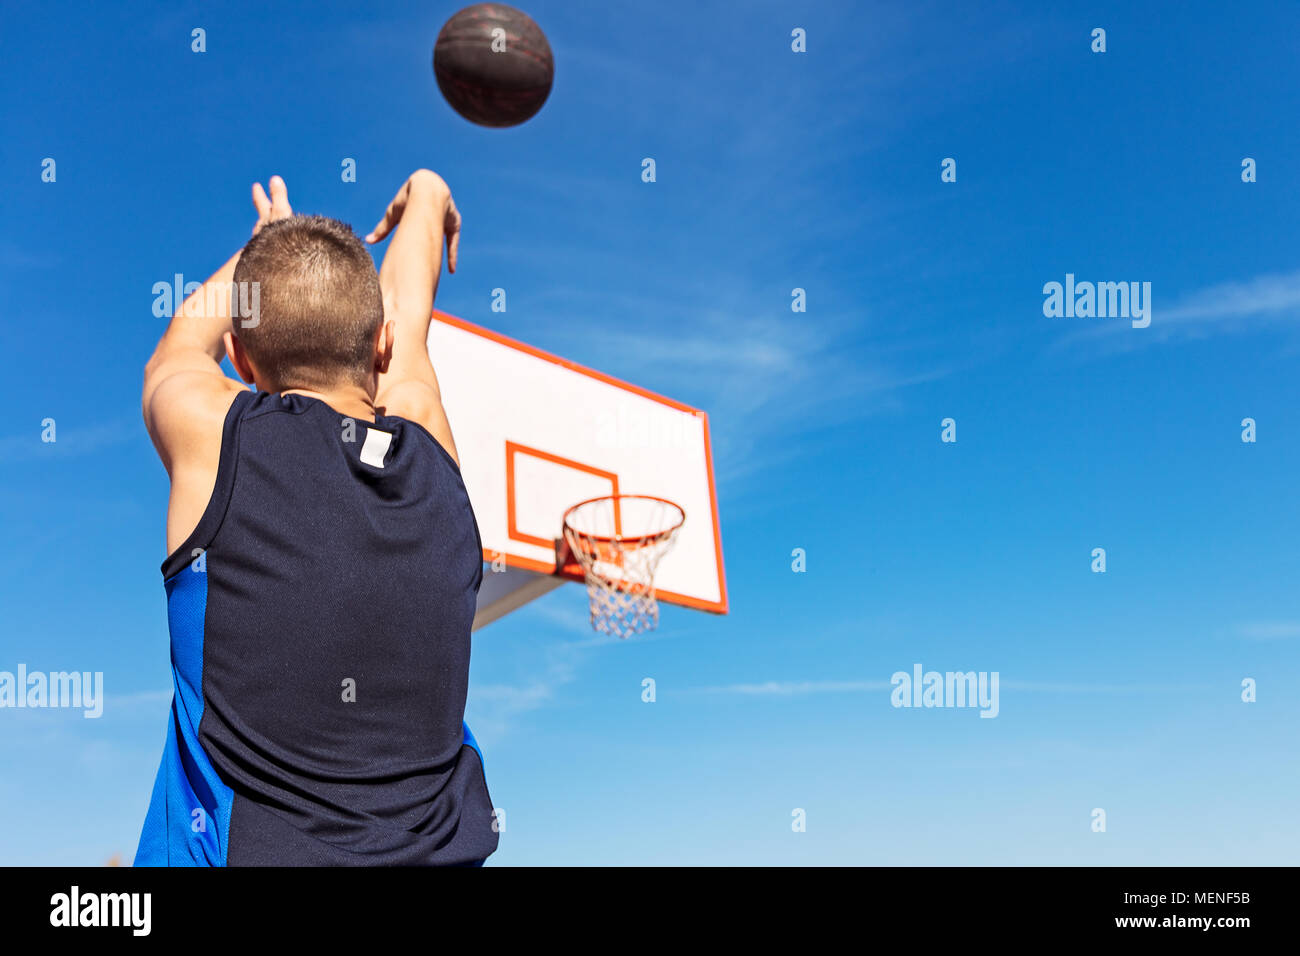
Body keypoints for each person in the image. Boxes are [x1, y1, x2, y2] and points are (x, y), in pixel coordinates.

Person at [134, 171, 498, 865]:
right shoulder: (430, 448)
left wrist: (264, 251)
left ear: (241, 359)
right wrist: (427, 193)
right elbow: (410, 314)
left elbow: (177, 353)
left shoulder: (218, 436)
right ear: (383, 349)